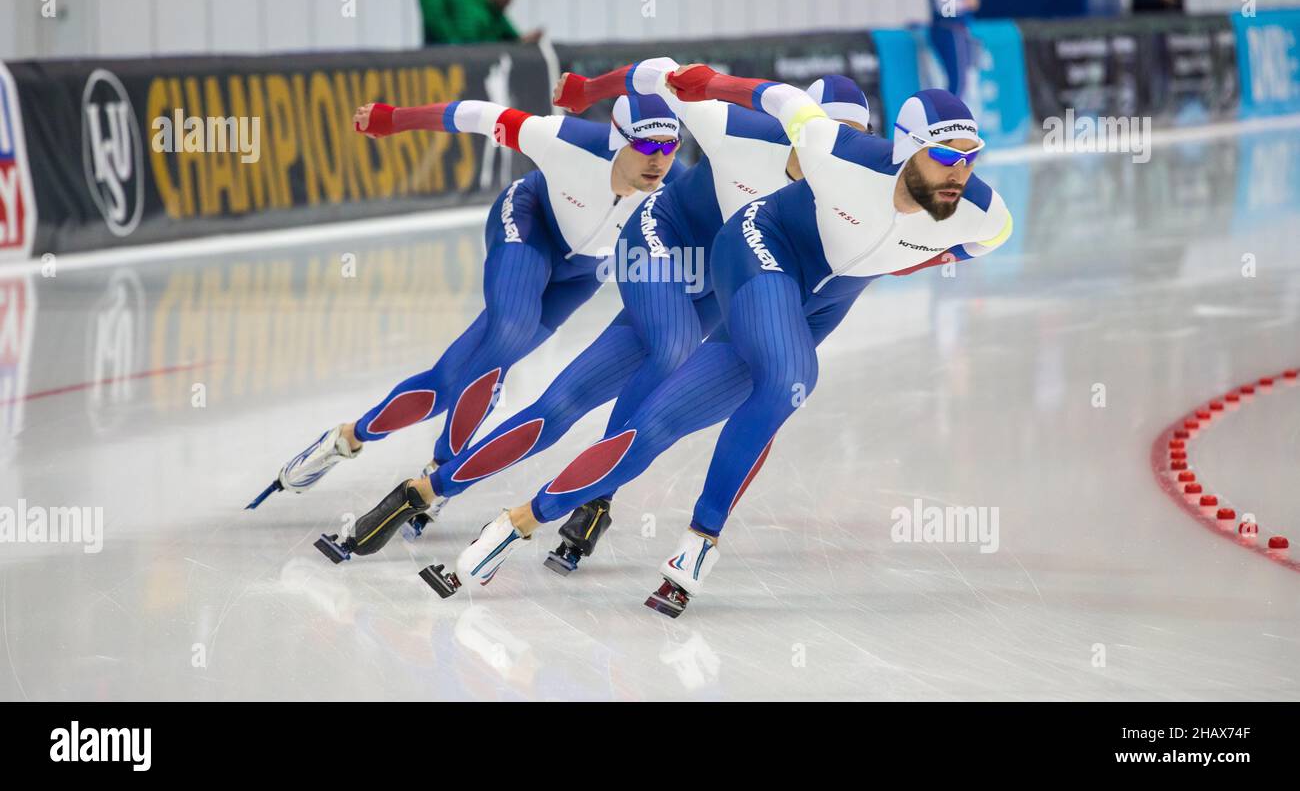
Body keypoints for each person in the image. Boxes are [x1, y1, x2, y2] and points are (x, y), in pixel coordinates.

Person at [422, 66, 1013, 616]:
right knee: (790, 377)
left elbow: (993, 237)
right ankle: (702, 538)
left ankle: (514, 523)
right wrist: (681, 82)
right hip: (761, 247)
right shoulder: (833, 149)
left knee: (659, 424)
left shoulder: (981, 210)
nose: (960, 172)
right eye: (944, 156)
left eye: (970, 158)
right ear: (907, 148)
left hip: (825, 297)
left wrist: (907, 262)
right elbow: (771, 98)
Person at [315, 58, 871, 572]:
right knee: (674, 346)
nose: (835, 159)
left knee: (565, 405)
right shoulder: (735, 130)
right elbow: (657, 74)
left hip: (720, 285)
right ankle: (579, 494)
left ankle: (428, 490)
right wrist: (588, 91)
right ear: (797, 128)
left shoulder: (858, 193)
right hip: (660, 240)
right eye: (826, 141)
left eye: (855, 146)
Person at [246, 90, 682, 512]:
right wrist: (393, 119)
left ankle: (347, 438)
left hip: (583, 272)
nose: (658, 158)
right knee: (508, 333)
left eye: (670, 145)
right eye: (645, 143)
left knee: (452, 380)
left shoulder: (675, 187)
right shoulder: (564, 140)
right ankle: (441, 471)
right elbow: (475, 114)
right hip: (529, 224)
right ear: (616, 138)